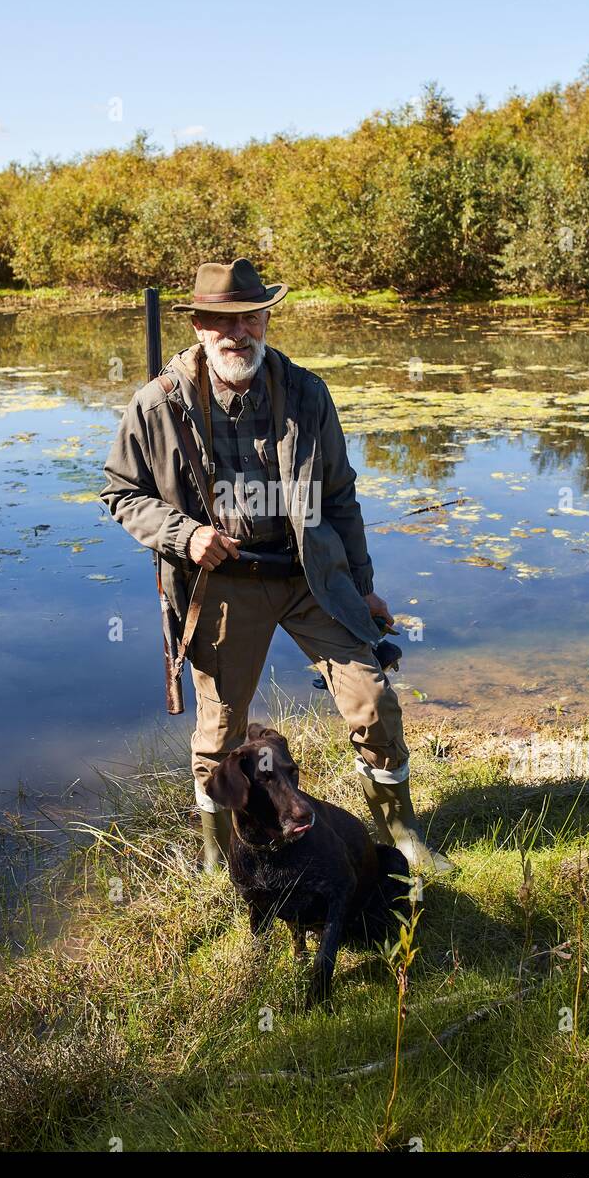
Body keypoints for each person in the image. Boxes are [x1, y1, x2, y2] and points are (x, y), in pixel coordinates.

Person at [100, 257, 454, 875]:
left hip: (310, 578)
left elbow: (339, 495)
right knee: (219, 735)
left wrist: (363, 590)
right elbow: (121, 494)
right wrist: (184, 536)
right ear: (199, 326)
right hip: (224, 586)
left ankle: (403, 837)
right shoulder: (157, 404)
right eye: (221, 321)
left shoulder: (307, 393)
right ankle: (220, 857)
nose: (238, 333)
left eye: (250, 318)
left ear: (266, 318)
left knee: (374, 702)